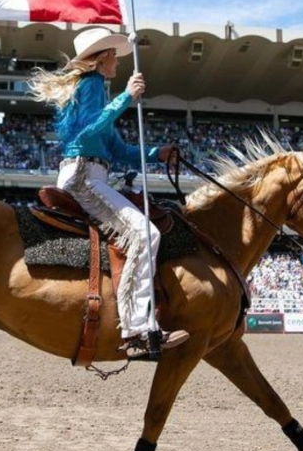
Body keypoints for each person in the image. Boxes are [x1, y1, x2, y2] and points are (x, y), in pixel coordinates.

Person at [28, 27, 187, 361]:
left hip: (90, 172)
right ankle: (136, 330)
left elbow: (119, 149)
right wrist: (126, 98)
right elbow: (87, 133)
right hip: (84, 175)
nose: (117, 60)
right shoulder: (91, 85)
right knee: (146, 235)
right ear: (102, 60)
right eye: (113, 55)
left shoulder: (96, 89)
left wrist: (157, 152)